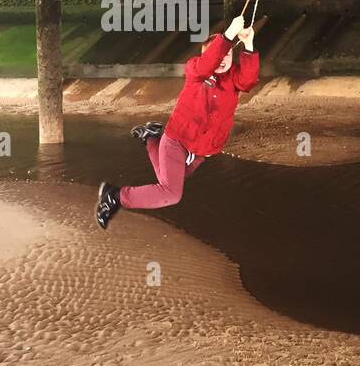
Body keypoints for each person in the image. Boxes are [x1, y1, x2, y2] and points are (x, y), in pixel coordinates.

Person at [96, 15, 258, 229]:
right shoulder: (195, 70)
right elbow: (207, 63)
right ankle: (115, 196)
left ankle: (152, 139)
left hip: (200, 151)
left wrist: (248, 43)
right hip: (177, 140)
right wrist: (227, 36)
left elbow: (248, 80)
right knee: (171, 193)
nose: (222, 59)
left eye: (227, 55)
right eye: (218, 54)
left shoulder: (233, 79)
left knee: (169, 178)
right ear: (205, 55)